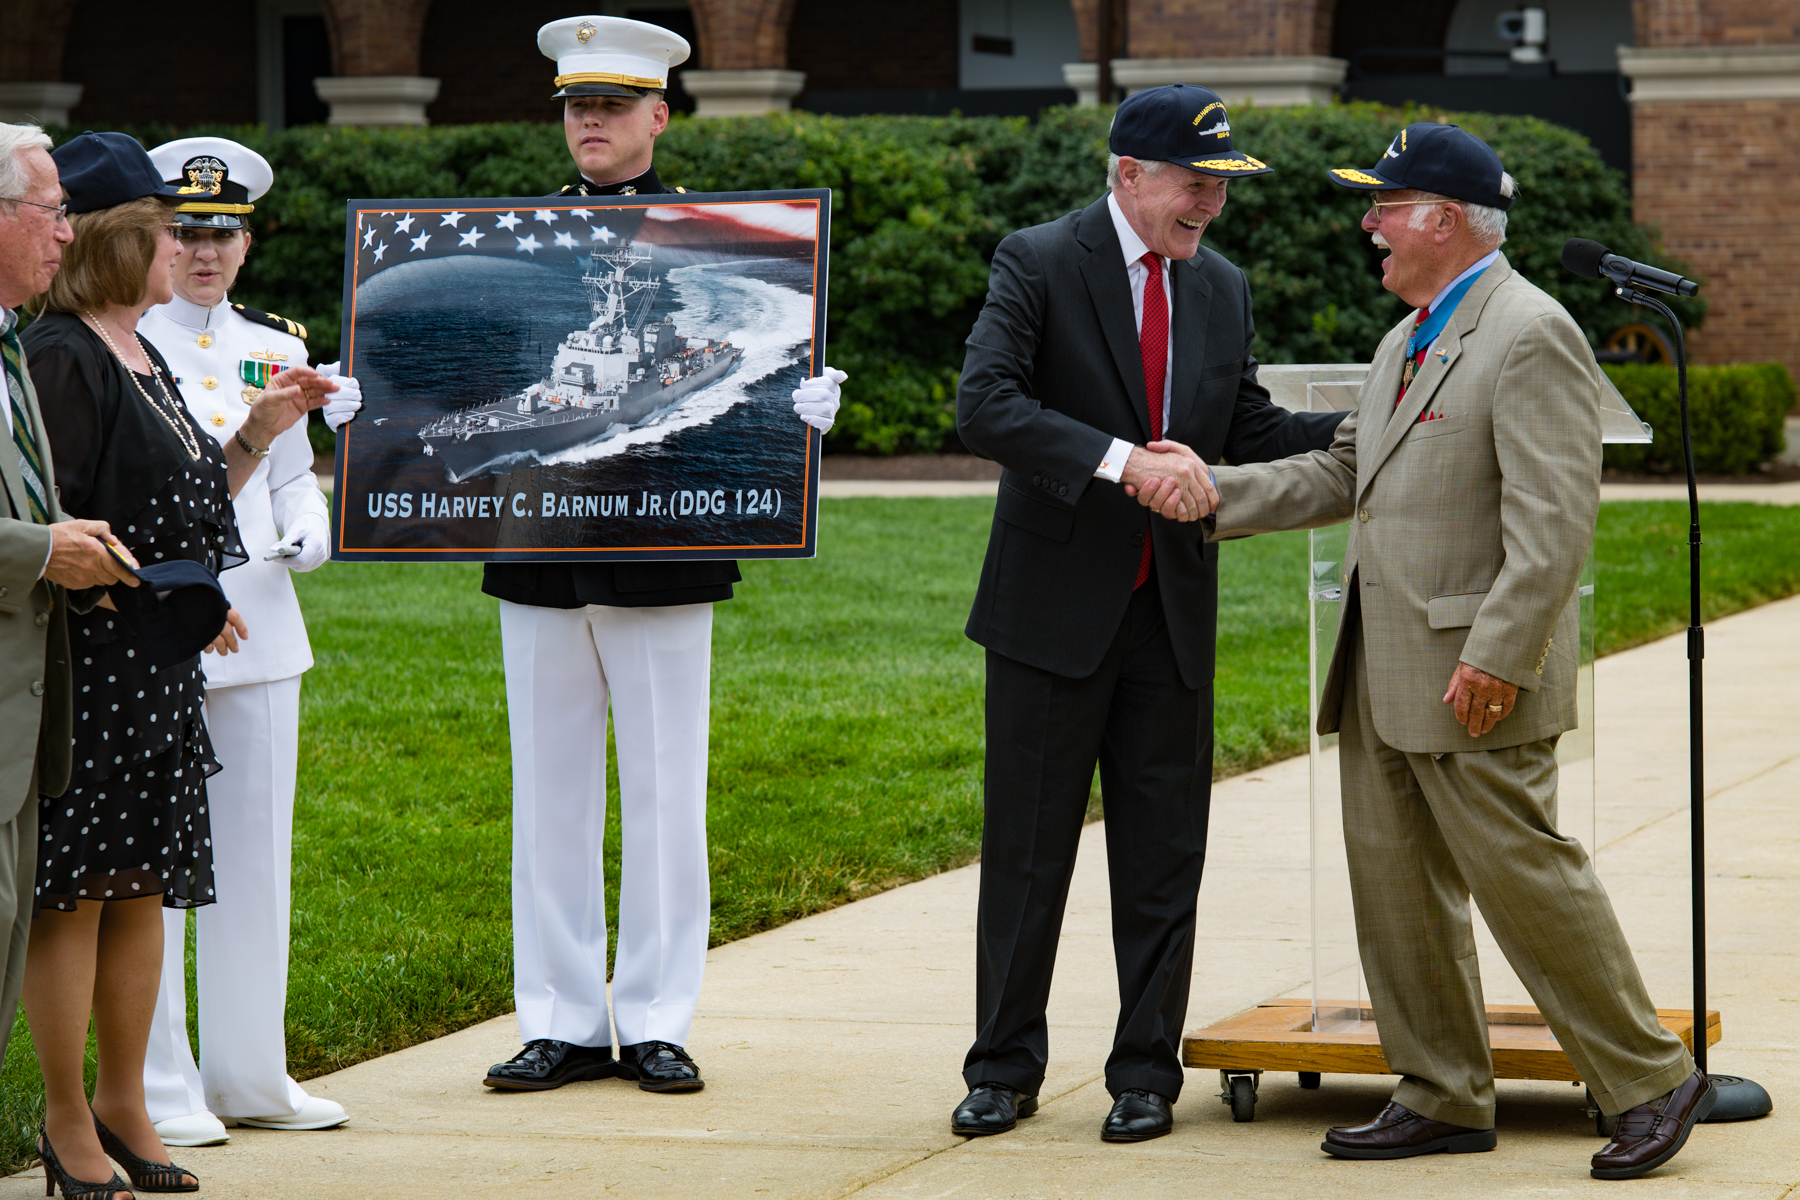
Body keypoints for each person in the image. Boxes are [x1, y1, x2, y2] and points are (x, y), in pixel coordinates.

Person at [1183, 123, 1709, 1180]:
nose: (1368, 223)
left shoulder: (1529, 331)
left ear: (1444, 218)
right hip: (1381, 668)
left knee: (1526, 878)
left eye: (1385, 204)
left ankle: (1651, 1080)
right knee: (1395, 885)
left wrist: (1501, 656)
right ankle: (1442, 1092)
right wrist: (1207, 489)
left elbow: (1553, 522)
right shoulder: (1407, 337)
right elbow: (1343, 478)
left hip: (1475, 671)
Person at [356, 14, 837, 1095]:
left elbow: (736, 416)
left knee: (667, 794)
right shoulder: (537, 238)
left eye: (614, 107)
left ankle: (659, 1015)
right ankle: (563, 1019)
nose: (593, 124)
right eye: (579, 107)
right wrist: (375, 406)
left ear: (658, 116)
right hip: (535, 552)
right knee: (550, 793)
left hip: (666, 559)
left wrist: (792, 412)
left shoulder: (697, 243)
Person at [949, 84, 1345, 1144]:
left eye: (1221, 186)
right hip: (1049, 616)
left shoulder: (1220, 287)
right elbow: (985, 406)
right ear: (1128, 173)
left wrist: (1383, 420)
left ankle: (1145, 1074)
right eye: (1195, 182)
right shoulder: (1036, 260)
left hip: (1170, 614)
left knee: (1165, 857)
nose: (1211, 203)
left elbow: (1243, 420)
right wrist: (1128, 466)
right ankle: (1001, 1067)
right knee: (1029, 854)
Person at [21, 130, 330, 1200]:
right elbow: (53, 520)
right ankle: (67, 1119)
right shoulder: (63, 355)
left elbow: (193, 496)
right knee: (75, 897)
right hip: (93, 671)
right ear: (118, 244)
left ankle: (126, 1103)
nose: (186, 249)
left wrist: (261, 430)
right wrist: (169, 594)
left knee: (141, 889)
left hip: (153, 669)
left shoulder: (140, 350)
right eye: (162, 229)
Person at [134, 136, 358, 1147]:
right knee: (155, 876)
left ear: (247, 242)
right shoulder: (126, 340)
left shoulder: (273, 343)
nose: (201, 252)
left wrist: (309, 524)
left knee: (256, 865)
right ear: (155, 238)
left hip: (263, 623)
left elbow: (287, 473)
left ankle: (252, 1073)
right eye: (183, 232)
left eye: (219, 234)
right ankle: (163, 1084)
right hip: (166, 625)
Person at [0, 120, 143, 1103]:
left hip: (20, 733)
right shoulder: (43, 347)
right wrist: (43, 549)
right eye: (53, 214)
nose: (67, 234)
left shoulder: (10, 346)